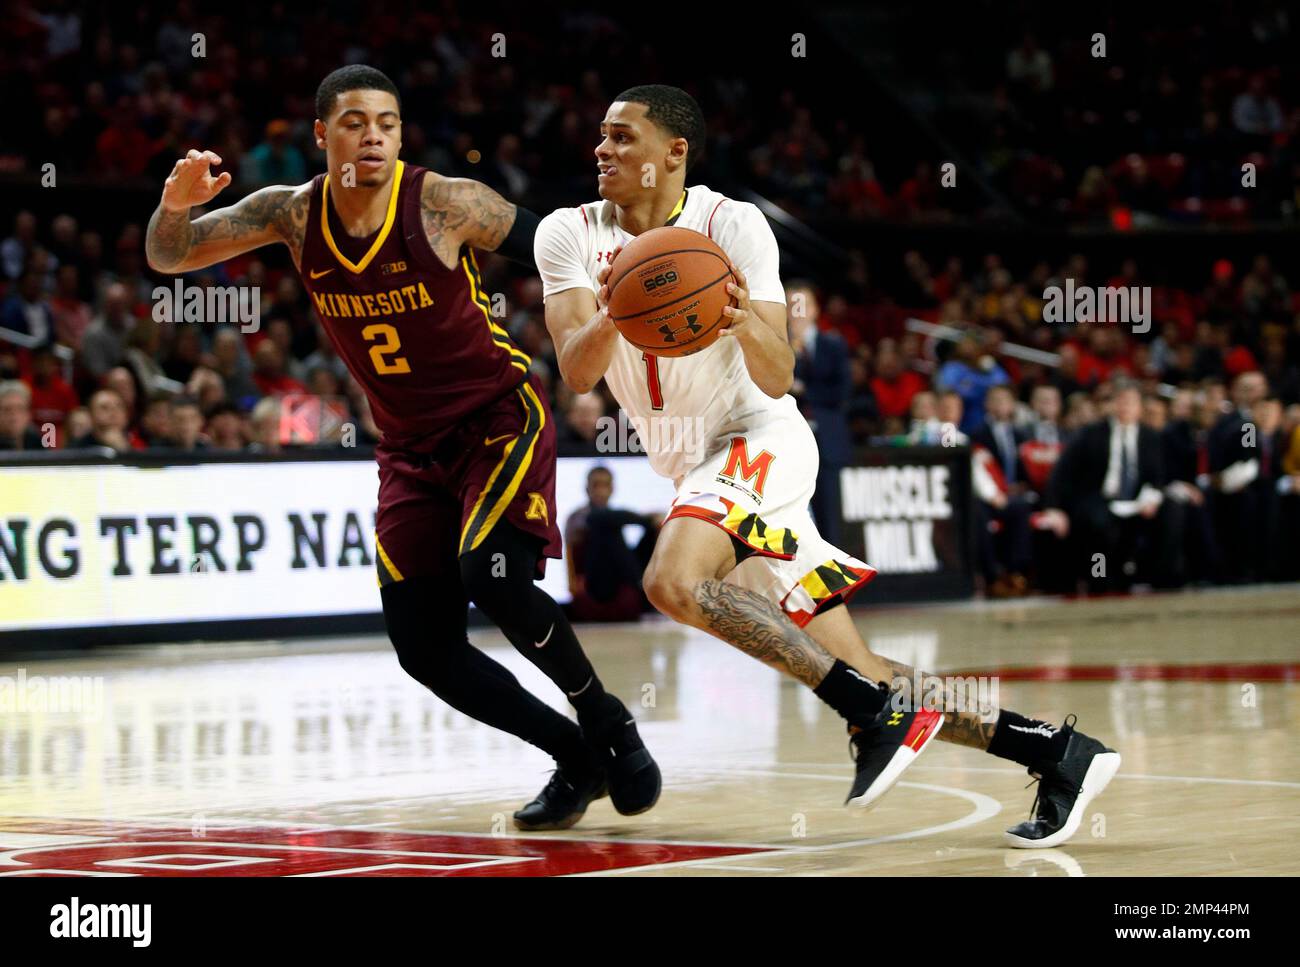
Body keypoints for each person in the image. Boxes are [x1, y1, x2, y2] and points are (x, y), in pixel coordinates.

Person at [537, 84, 1119, 846]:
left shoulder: (731, 223)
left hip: (760, 437)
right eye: (601, 138)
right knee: (858, 664)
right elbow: (578, 376)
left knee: (671, 581)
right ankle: (1053, 750)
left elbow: (778, 373)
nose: (602, 150)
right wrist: (619, 305)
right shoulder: (568, 233)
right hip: (692, 469)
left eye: (621, 137)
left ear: (674, 153)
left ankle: (869, 716)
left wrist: (744, 320)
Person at [145, 64, 659, 831]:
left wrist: (637, 261)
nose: (375, 137)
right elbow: (168, 255)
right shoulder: (291, 215)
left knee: (491, 571)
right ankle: (573, 754)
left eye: (387, 122)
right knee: (424, 649)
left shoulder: (448, 203)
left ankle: (608, 719)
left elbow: (560, 242)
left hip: (497, 417)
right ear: (322, 136)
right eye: (355, 122)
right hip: (409, 448)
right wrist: (173, 205)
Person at [565, 465, 658, 622]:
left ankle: (649, 588)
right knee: (603, 524)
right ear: (587, 488)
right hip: (594, 585)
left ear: (612, 488)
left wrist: (652, 524)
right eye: (596, 485)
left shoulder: (616, 517)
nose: (600, 491)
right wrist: (645, 519)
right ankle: (639, 586)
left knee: (650, 531)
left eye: (605, 485)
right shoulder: (578, 517)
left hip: (620, 582)